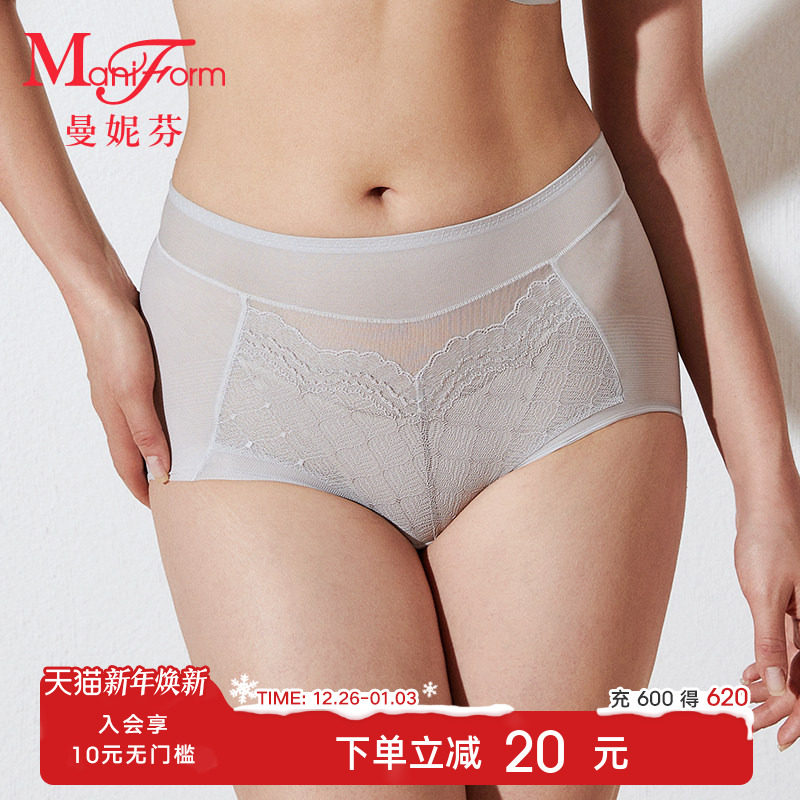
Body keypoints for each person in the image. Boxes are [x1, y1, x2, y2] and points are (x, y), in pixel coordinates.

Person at [3, 0, 799, 798]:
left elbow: (664, 124)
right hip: (253, 359)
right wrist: (89, 291)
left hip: (558, 333)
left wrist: (769, 488)